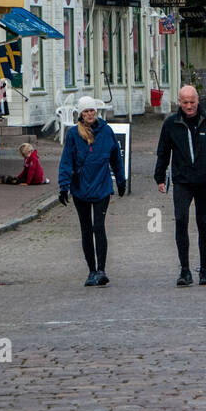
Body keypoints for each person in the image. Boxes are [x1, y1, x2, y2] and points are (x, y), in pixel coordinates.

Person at [154, 84, 206, 286]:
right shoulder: (171, 123)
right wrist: (160, 177)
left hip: (204, 180)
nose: (189, 106)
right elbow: (163, 151)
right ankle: (185, 270)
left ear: (198, 101)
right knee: (180, 220)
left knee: (204, 223)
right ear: (180, 102)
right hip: (182, 180)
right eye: (185, 102)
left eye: (192, 102)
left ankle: (204, 270)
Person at [58, 97, 125, 286]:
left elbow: (115, 158)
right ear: (80, 113)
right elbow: (66, 161)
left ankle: (102, 270)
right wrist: (64, 186)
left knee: (98, 226)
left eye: (92, 111)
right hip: (80, 187)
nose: (89, 114)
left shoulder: (106, 131)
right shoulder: (73, 134)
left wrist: (121, 181)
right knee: (86, 229)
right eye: (86, 111)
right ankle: (91, 270)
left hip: (101, 186)